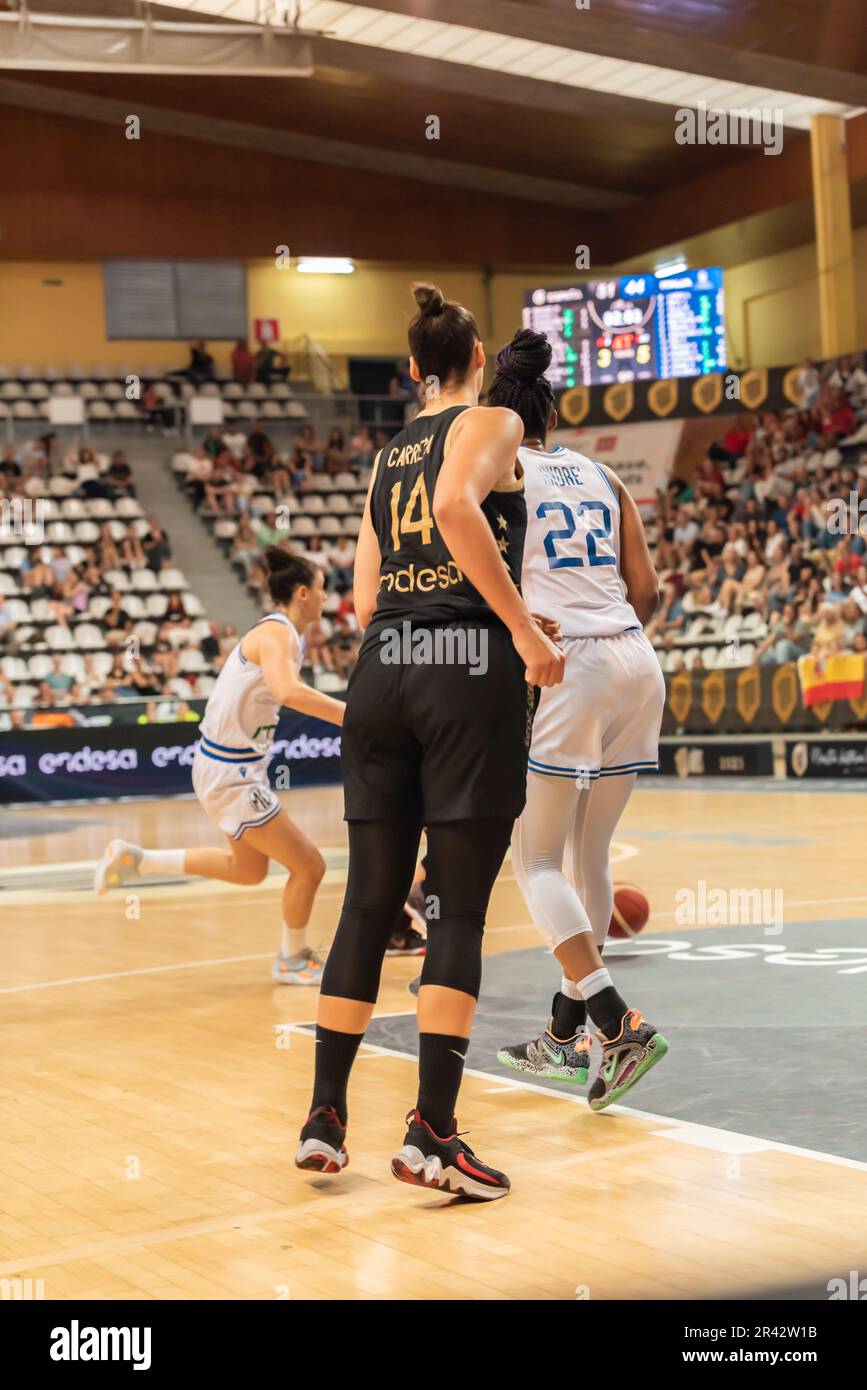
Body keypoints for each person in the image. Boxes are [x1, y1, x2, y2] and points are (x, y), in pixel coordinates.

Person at [294, 283, 563, 1198]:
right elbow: (456, 508)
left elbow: (366, 603)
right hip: (463, 671)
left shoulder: (380, 461)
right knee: (453, 910)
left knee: (368, 908)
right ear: (475, 361)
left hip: (382, 671)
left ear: (412, 371)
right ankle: (431, 1134)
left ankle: (325, 1117)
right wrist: (524, 632)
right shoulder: (491, 424)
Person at [489, 329, 668, 1113]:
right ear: (553, 412)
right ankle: (568, 1041)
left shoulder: (501, 470)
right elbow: (648, 588)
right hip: (636, 658)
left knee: (533, 862)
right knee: (587, 854)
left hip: (574, 666)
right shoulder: (601, 473)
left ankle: (612, 1020)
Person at [94, 551, 346, 986]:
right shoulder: (277, 635)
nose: (326, 596)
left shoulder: (284, 636)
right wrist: (354, 715)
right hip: (232, 772)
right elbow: (289, 691)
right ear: (303, 593)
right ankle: (291, 958)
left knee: (249, 871)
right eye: (322, 588)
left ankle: (137, 860)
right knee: (310, 866)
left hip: (228, 766)